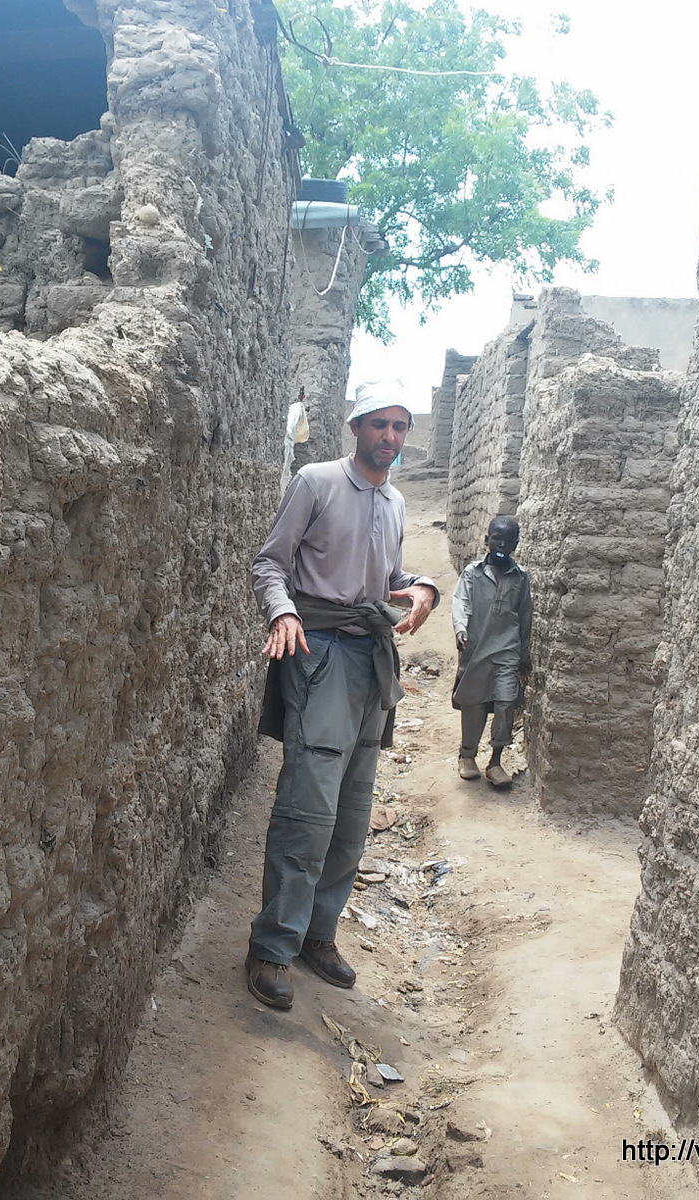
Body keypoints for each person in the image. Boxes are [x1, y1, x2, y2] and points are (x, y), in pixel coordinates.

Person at [246, 382, 438, 1010]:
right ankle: (273, 947)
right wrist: (283, 614)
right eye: (379, 424)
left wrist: (423, 589)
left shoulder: (397, 501)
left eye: (400, 427)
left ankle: (318, 936)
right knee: (309, 807)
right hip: (321, 654)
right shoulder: (316, 482)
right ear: (355, 427)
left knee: (353, 813)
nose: (390, 436)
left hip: (371, 661)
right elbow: (271, 564)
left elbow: (389, 578)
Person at [452, 515, 532, 789]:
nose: (501, 544)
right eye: (496, 538)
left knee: (506, 702)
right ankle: (467, 755)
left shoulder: (520, 578)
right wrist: (461, 629)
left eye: (508, 540)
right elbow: (460, 601)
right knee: (473, 703)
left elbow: (525, 616)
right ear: (487, 540)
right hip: (475, 648)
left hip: (507, 649)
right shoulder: (473, 573)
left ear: (515, 545)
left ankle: (496, 761)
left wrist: (524, 653)